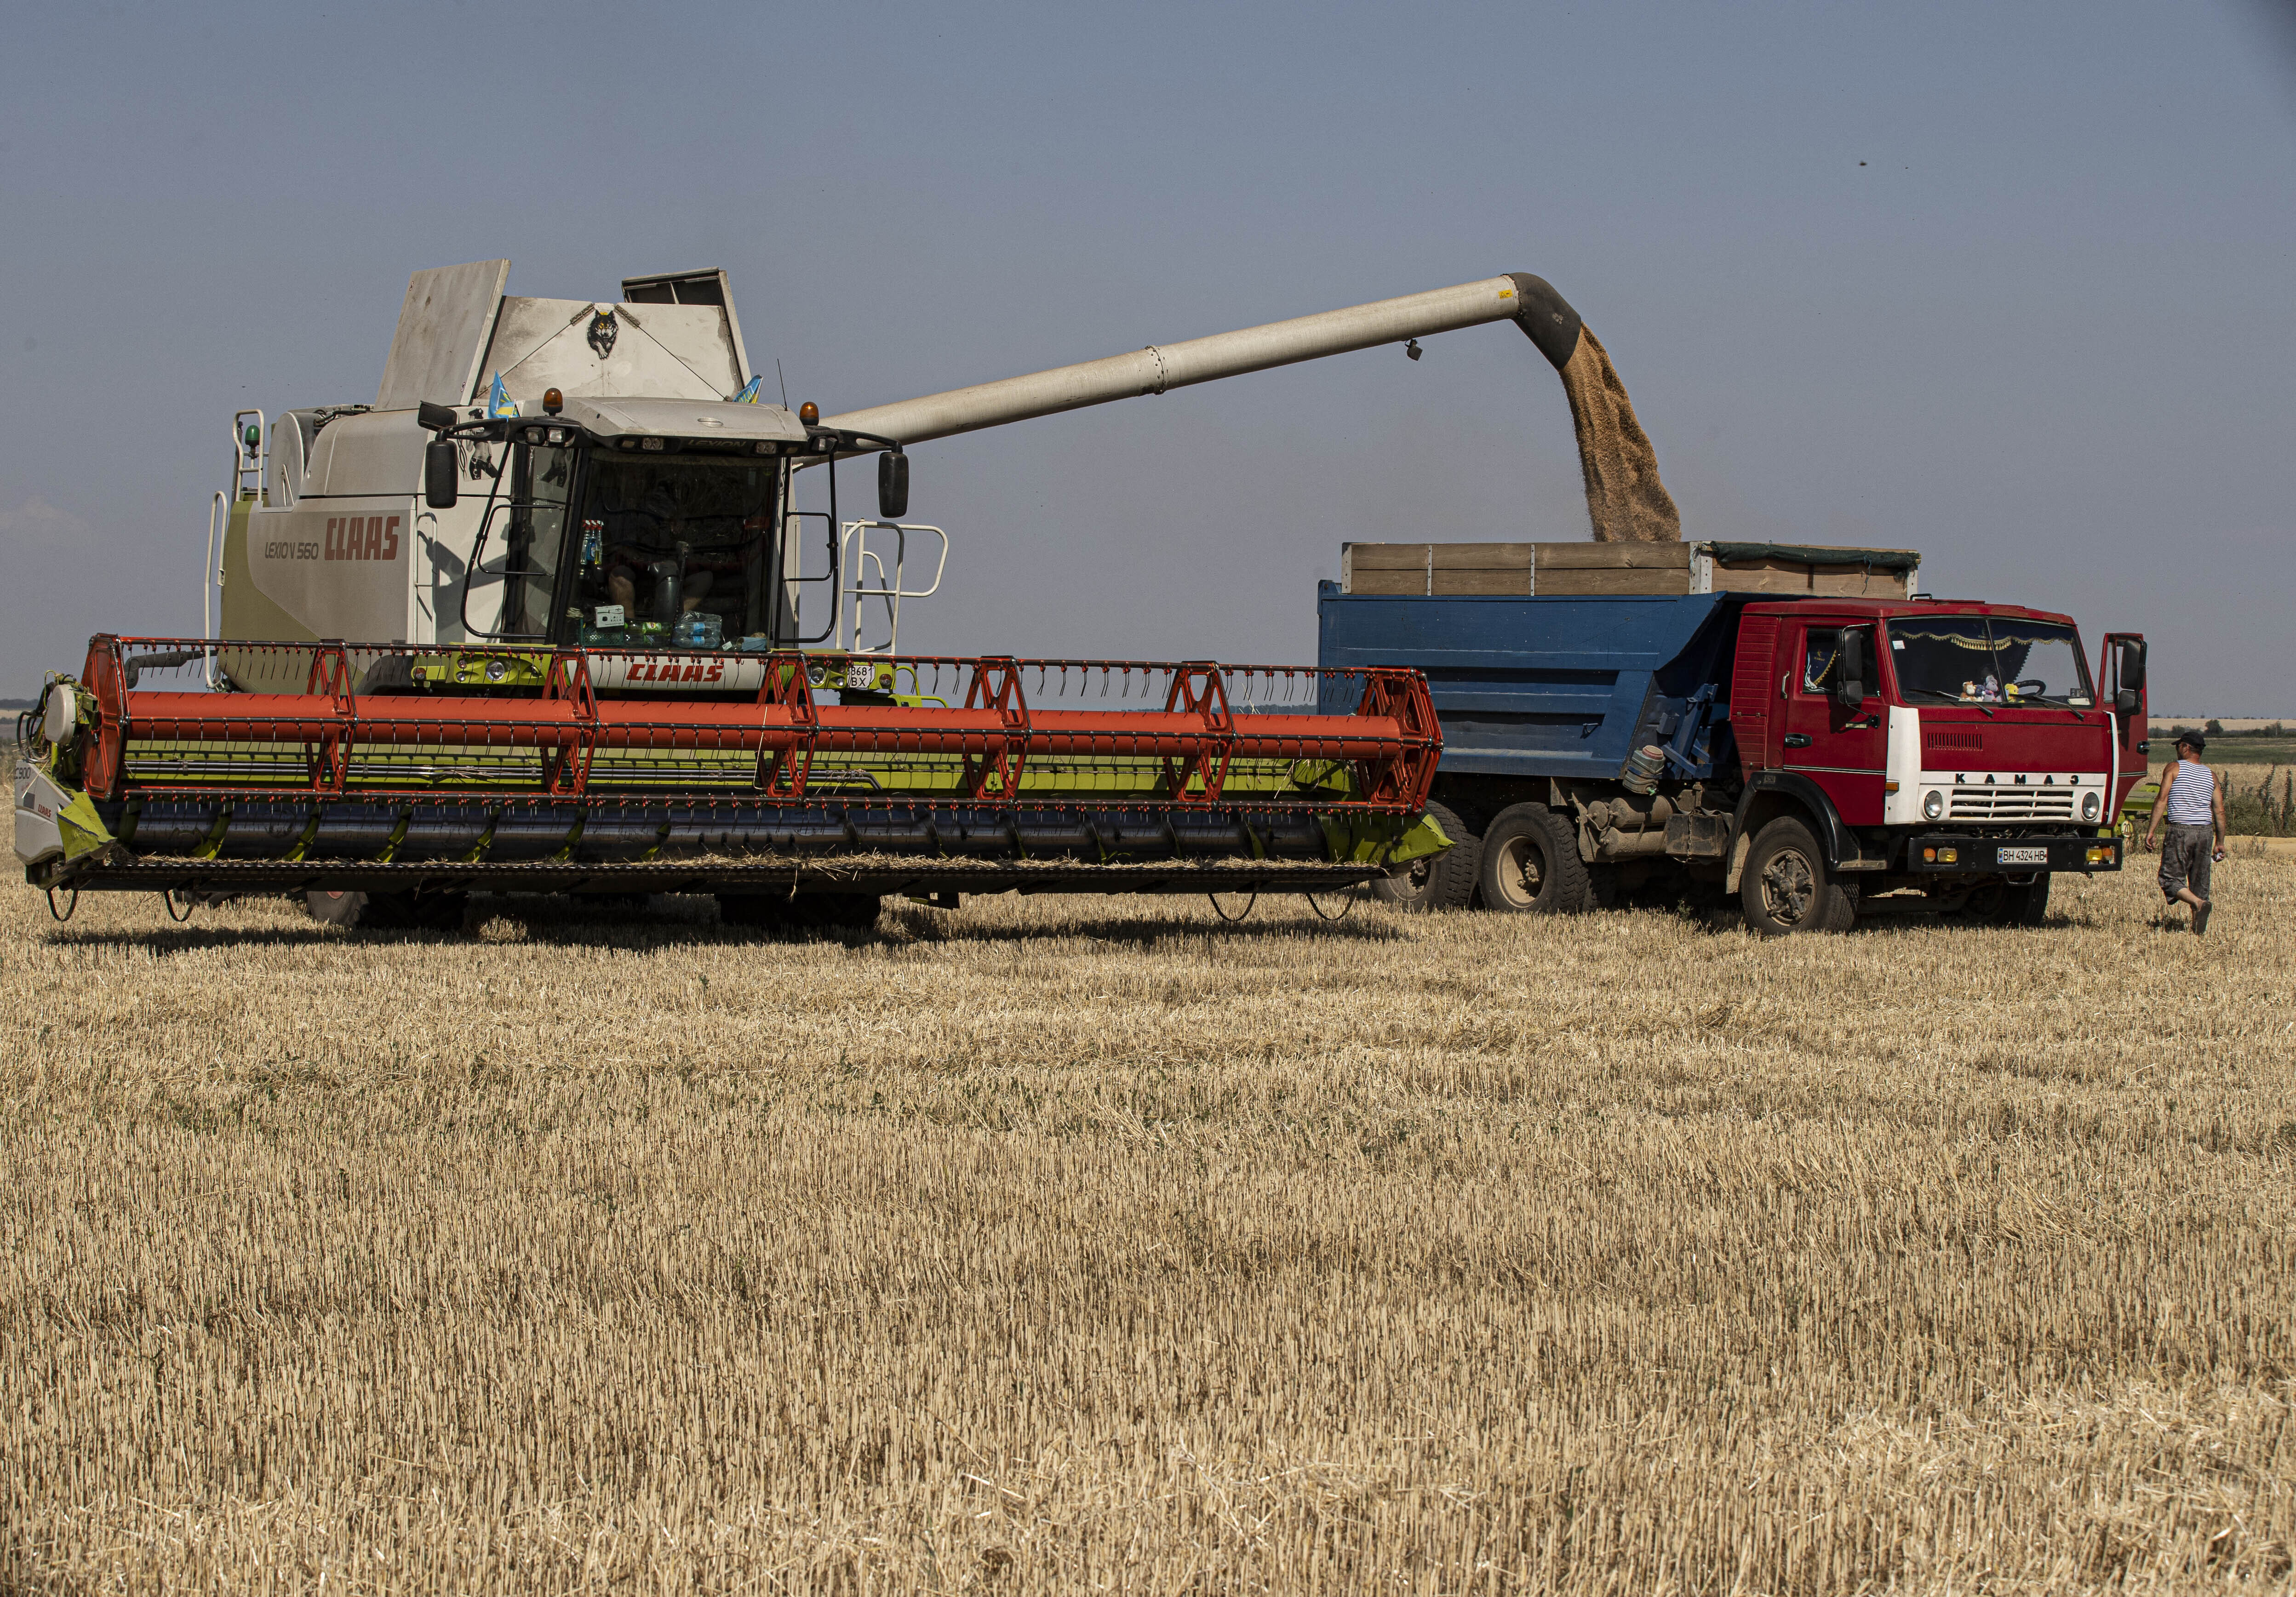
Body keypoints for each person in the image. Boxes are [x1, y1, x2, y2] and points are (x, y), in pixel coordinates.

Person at [2141, 731, 2227, 934]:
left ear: (2186, 747)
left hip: (2181, 830)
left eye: (2178, 746)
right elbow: (2219, 810)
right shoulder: (2211, 775)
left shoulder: (2174, 768)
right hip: (2206, 833)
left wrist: (2151, 831)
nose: (2177, 750)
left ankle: (2198, 903)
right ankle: (2198, 929)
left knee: (2169, 879)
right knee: (2200, 882)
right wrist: (2220, 841)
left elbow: (2161, 800)